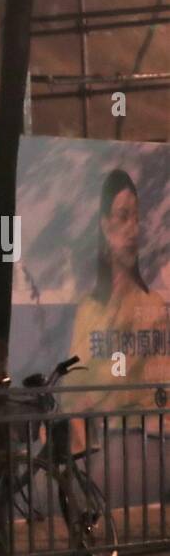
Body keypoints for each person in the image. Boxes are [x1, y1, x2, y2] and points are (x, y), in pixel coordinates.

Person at [64, 168, 170, 506]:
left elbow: (137, 380)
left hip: (148, 444)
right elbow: (75, 385)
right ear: (103, 225)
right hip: (100, 450)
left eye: (136, 218)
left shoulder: (153, 307)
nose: (133, 229)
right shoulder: (88, 310)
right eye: (123, 216)